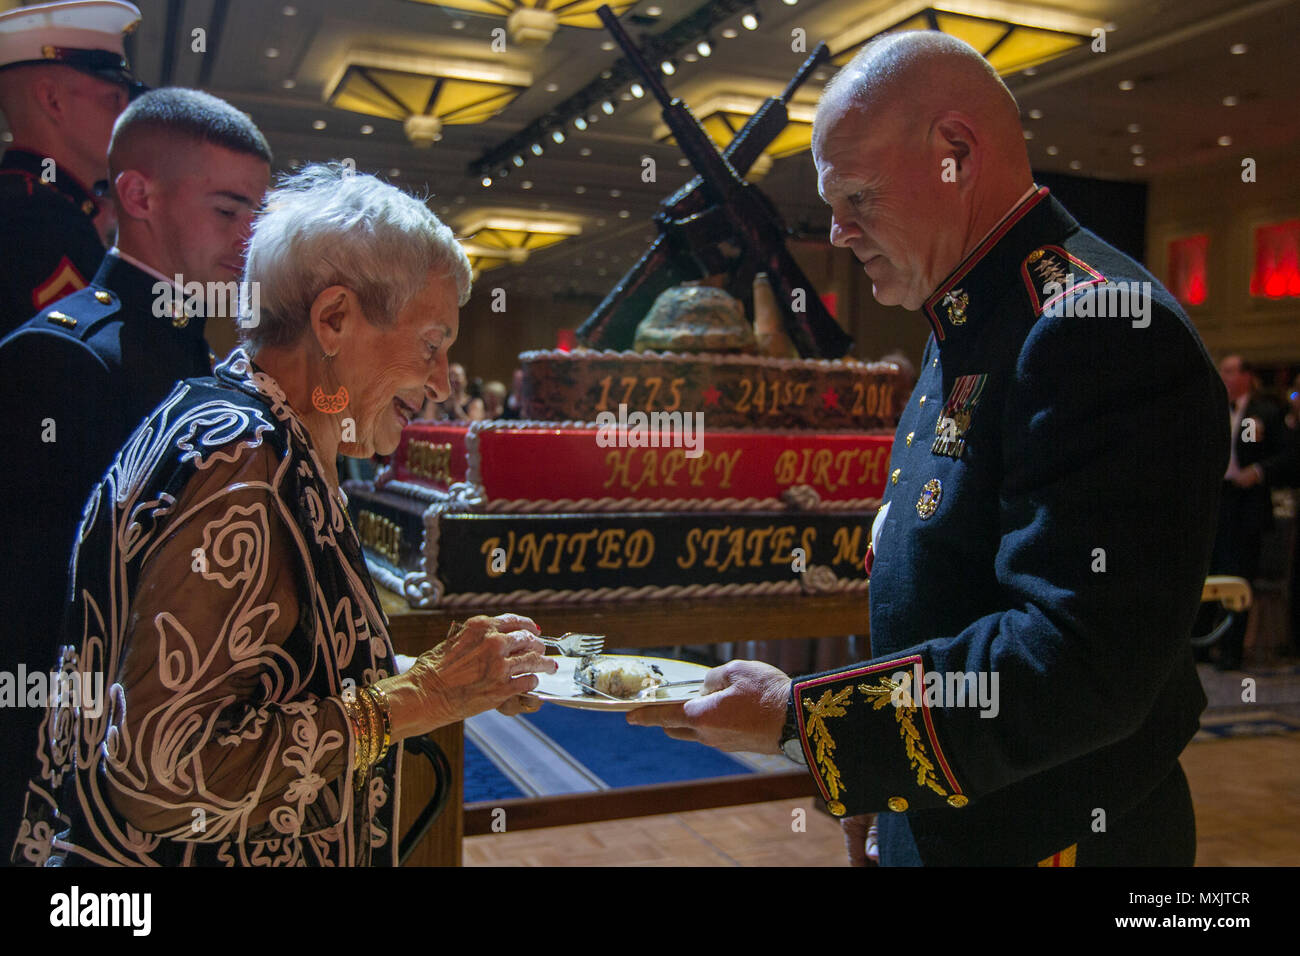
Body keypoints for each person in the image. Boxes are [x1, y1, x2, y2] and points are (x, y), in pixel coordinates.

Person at [629, 31, 1227, 867]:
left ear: (956, 153)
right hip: (956, 808)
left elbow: (1078, 660)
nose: (837, 233)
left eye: (860, 199)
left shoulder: (1093, 327)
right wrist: (880, 778)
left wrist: (810, 723)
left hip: (1050, 837)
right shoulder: (968, 316)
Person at [9, 164, 557, 866]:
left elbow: (275, 674)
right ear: (333, 320)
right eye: (430, 344)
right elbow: (166, 777)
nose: (442, 381)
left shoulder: (247, 426)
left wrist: (457, 680)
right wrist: (419, 697)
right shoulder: (244, 458)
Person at [0, 88, 272, 852]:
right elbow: (29, 627)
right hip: (77, 795)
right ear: (138, 194)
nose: (250, 238)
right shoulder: (65, 357)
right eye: (227, 211)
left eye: (259, 214)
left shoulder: (202, 359)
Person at [0, 0, 144, 335]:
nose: (128, 115)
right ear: (52, 100)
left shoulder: (43, 209)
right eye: (113, 99)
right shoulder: (35, 222)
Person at [1211, 355, 1290, 669]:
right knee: (1213, 570)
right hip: (1220, 499)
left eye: (1230, 371)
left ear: (1246, 376)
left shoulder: (1267, 412)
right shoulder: (1215, 409)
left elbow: (1287, 456)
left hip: (1248, 502)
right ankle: (1205, 646)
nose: (1224, 376)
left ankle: (1233, 651)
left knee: (1240, 574)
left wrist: (1258, 470)